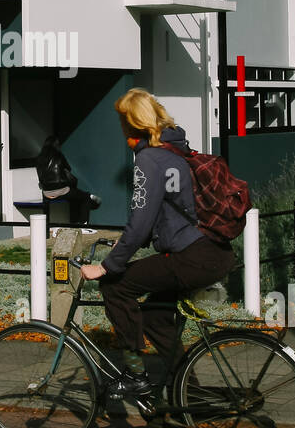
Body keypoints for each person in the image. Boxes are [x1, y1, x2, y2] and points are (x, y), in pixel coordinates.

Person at [80, 88, 234, 399]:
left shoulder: (149, 159)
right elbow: (164, 215)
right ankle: (188, 394)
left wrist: (107, 266)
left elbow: (140, 224)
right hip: (212, 252)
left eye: (123, 121)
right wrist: (122, 246)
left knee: (115, 286)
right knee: (154, 316)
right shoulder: (177, 152)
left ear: (133, 124)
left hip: (191, 257)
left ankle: (135, 374)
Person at [35, 135, 101, 225]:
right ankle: (83, 224)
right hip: (62, 190)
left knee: (74, 197)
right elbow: (68, 169)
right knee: (85, 197)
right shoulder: (58, 155)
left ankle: (74, 221)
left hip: (46, 193)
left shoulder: (39, 158)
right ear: (55, 145)